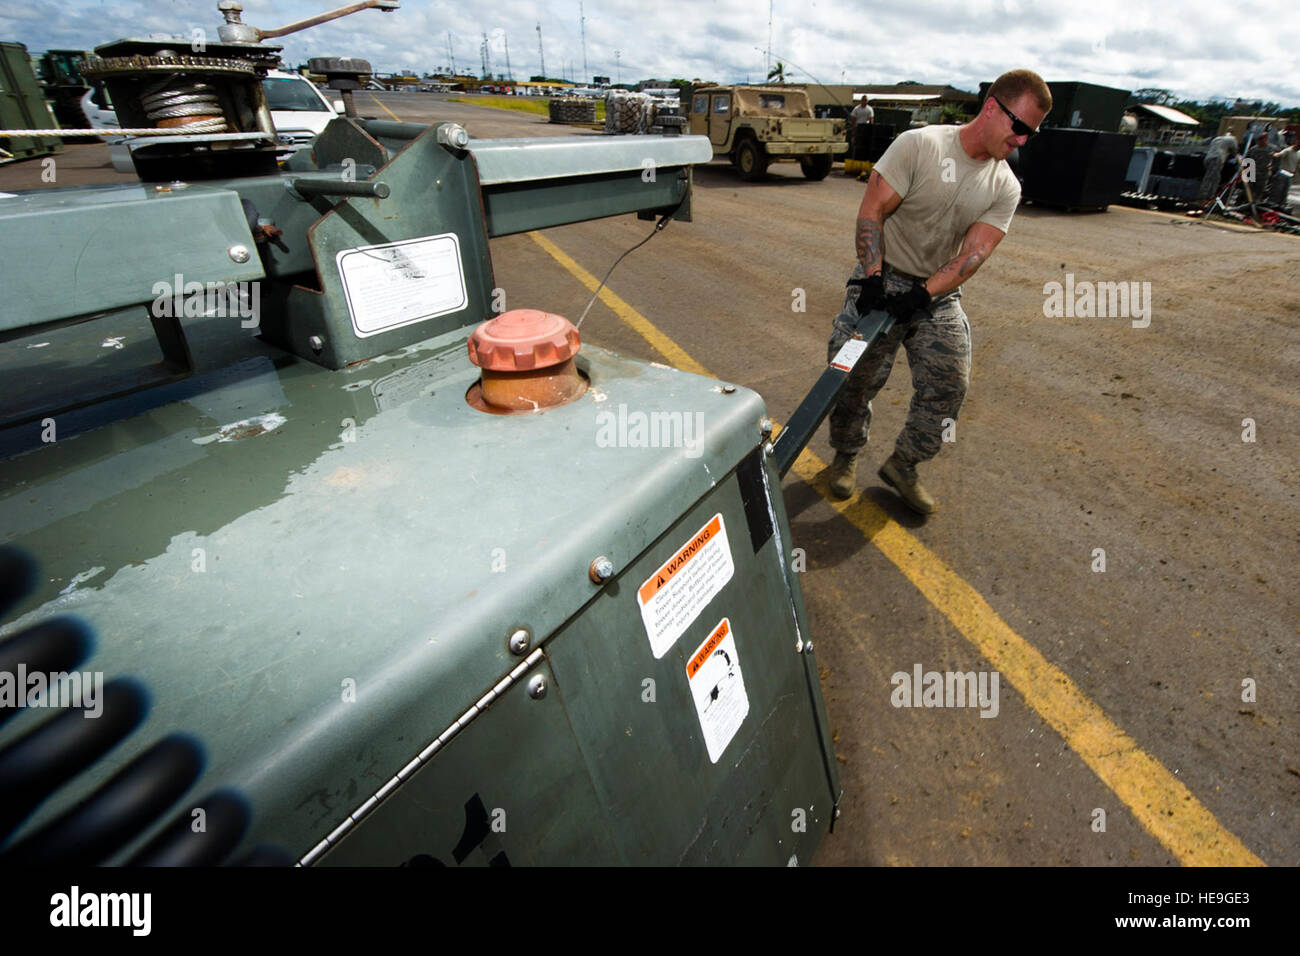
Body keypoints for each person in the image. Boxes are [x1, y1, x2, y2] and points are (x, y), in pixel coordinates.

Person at [824, 69, 1051, 514]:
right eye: (1018, 127)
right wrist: (872, 278)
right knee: (849, 374)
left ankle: (904, 464)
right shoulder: (921, 145)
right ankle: (846, 453)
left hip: (935, 293)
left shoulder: (1005, 186)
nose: (1022, 141)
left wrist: (922, 296)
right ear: (992, 108)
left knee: (950, 383)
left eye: (1031, 134)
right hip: (881, 274)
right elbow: (873, 211)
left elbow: (973, 255)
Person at [1200, 132, 1240, 201]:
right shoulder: (1232, 139)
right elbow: (1235, 151)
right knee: (1214, 178)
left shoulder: (1216, 139)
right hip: (1217, 158)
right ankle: (1209, 196)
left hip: (1208, 158)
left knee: (1208, 176)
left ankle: (1204, 194)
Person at [1269, 132, 1297, 206]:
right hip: (1282, 174)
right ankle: (1272, 205)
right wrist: (1273, 154)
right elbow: (1279, 154)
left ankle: (1281, 206)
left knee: (1284, 193)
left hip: (1290, 175)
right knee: (1277, 191)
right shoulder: (1288, 150)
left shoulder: (1298, 153)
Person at [849, 95, 875, 160]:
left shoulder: (869, 109)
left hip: (866, 128)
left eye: (866, 100)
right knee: (856, 144)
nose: (864, 101)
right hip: (858, 128)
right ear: (861, 101)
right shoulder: (856, 108)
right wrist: (853, 129)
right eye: (863, 100)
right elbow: (853, 119)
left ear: (867, 101)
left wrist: (870, 128)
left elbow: (871, 119)